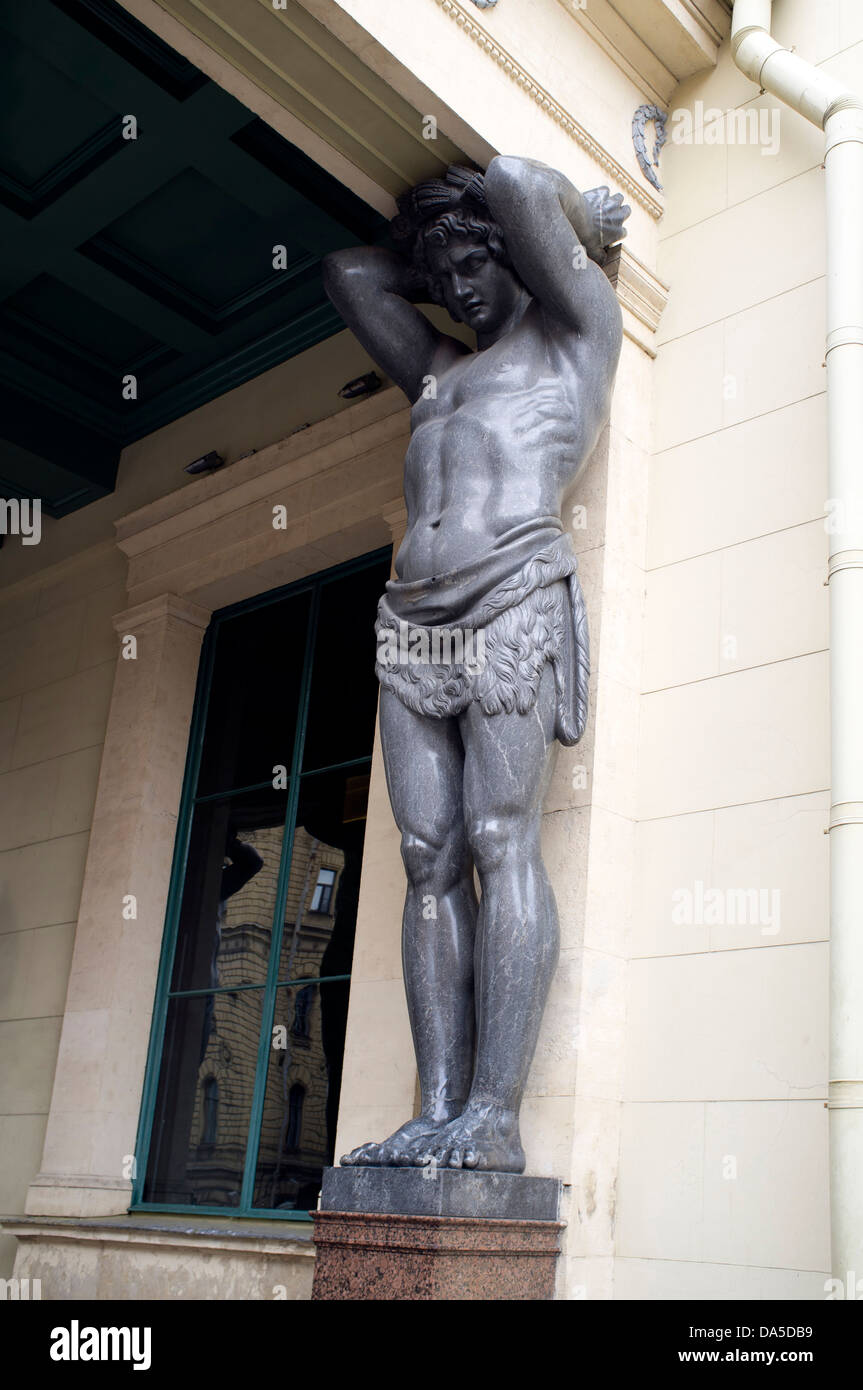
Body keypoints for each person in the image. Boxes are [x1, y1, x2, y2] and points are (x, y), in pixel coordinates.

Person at [322, 157, 628, 1172]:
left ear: (525, 258)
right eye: (442, 273)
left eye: (474, 266)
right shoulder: (434, 372)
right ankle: (437, 1106)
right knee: (426, 861)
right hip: (410, 620)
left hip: (510, 592)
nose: (455, 289)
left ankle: (492, 1113)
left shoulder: (574, 332)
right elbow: (349, 274)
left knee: (501, 839)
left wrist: (572, 220)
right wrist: (439, 252)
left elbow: (510, 178)